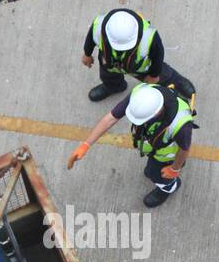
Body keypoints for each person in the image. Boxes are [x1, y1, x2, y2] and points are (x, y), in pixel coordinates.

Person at [67, 82, 198, 208]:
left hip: (166, 156)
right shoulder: (141, 94)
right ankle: (155, 170)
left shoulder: (181, 124)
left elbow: (184, 149)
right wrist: (86, 144)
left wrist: (174, 169)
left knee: (157, 174)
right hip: (154, 147)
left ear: (157, 113)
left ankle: (169, 187)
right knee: (151, 169)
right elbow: (110, 118)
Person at [82, 8, 195, 102]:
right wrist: (87, 54)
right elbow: (90, 38)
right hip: (110, 64)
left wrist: (154, 75)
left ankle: (177, 82)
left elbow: (158, 55)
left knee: (164, 74)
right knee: (108, 77)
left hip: (142, 66)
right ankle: (114, 87)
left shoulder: (150, 36)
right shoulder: (98, 25)